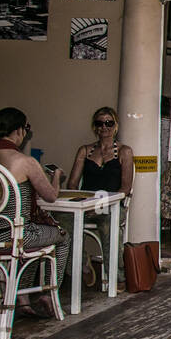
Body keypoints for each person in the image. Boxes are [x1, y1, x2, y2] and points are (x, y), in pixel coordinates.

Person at [0, 107, 70, 318]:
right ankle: (49, 295)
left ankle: (22, 299)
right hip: (16, 234)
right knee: (62, 236)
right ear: (19, 130)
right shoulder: (24, 162)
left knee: (36, 233)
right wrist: (57, 177)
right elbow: (50, 196)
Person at [66, 106, 135, 287]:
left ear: (115, 125)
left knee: (108, 225)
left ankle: (117, 276)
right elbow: (72, 184)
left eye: (108, 123)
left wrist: (103, 204)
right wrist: (84, 203)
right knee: (63, 222)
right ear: (94, 127)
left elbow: (125, 188)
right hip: (87, 203)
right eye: (100, 123)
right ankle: (81, 267)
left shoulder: (124, 151)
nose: (104, 127)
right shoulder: (85, 150)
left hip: (112, 204)